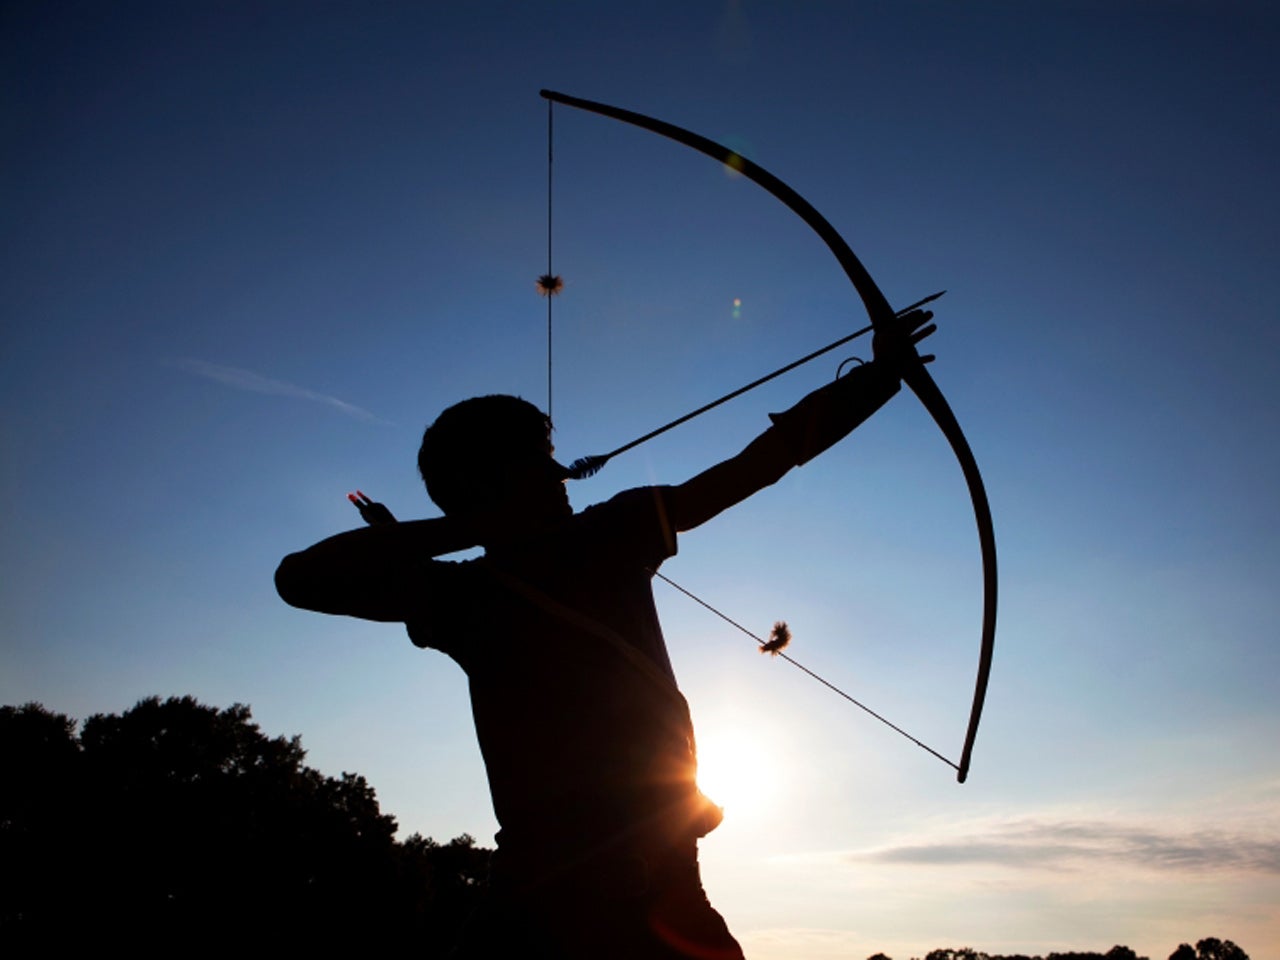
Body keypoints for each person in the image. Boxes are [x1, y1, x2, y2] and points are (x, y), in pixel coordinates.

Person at [274, 309, 936, 958]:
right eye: (539, 461)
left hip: (657, 885)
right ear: (482, 483)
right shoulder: (461, 595)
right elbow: (299, 580)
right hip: (537, 901)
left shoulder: (608, 533)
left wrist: (874, 381)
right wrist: (477, 526)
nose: (559, 474)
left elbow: (753, 466)